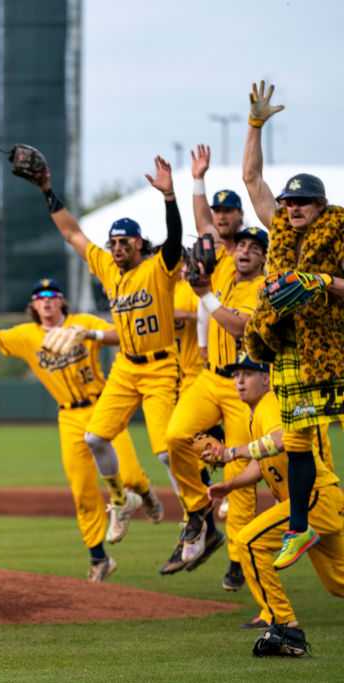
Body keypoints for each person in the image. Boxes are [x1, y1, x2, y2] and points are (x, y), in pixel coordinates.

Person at [11, 148, 184, 544]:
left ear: (140, 244)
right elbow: (72, 233)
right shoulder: (107, 267)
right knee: (94, 439)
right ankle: (122, 500)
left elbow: (174, 241)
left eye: (125, 241)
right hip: (127, 365)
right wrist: (47, 191)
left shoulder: (157, 268)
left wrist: (169, 197)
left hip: (161, 366)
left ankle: (195, 513)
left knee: (164, 452)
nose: (118, 246)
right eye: (114, 242)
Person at [0, 279, 161, 582]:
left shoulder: (81, 322)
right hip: (68, 416)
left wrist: (89, 333)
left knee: (132, 475)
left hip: (103, 405)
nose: (46, 302)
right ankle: (99, 559)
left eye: (52, 297)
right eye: (40, 297)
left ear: (62, 302)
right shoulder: (26, 335)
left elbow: (120, 335)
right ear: (33, 306)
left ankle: (144, 495)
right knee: (82, 489)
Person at [241, 80, 344, 571]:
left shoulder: (340, 231)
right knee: (298, 440)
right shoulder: (278, 226)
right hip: (291, 350)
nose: (293, 207)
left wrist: (320, 280)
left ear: (321, 205)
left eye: (302, 201)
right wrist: (255, 126)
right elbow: (252, 179)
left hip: (335, 346)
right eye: (289, 201)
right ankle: (300, 529)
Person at [204, 352, 342, 656]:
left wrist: (233, 452)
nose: (239, 380)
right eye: (236, 375)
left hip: (311, 499)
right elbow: (262, 463)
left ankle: (286, 628)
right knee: (338, 583)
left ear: (266, 378)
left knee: (248, 542)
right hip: (322, 498)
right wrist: (230, 485)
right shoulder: (256, 413)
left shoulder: (270, 405)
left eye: (248, 374)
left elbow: (281, 439)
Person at [165, 220, 267, 583]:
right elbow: (206, 223)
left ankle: (239, 559)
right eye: (242, 245)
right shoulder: (224, 273)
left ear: (263, 258)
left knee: (240, 480)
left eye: (255, 248)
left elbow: (239, 326)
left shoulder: (262, 288)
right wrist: (194, 181)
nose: (245, 251)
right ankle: (197, 512)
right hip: (211, 377)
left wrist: (205, 293)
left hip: (245, 386)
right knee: (175, 436)